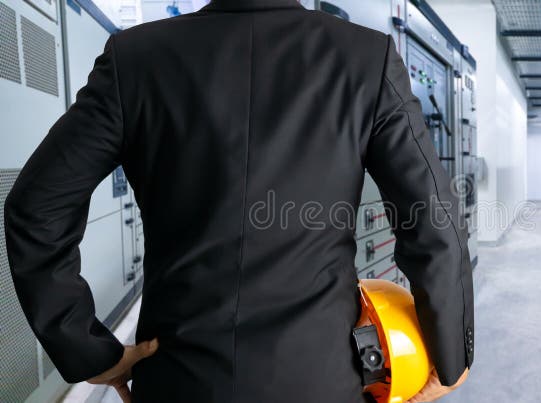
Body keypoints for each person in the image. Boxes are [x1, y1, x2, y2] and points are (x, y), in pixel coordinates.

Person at [3, 0, 473, 402]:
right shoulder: (365, 59)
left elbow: (36, 207)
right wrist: (451, 357)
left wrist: (85, 349)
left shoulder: (135, 59)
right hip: (320, 379)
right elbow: (432, 219)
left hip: (177, 378)